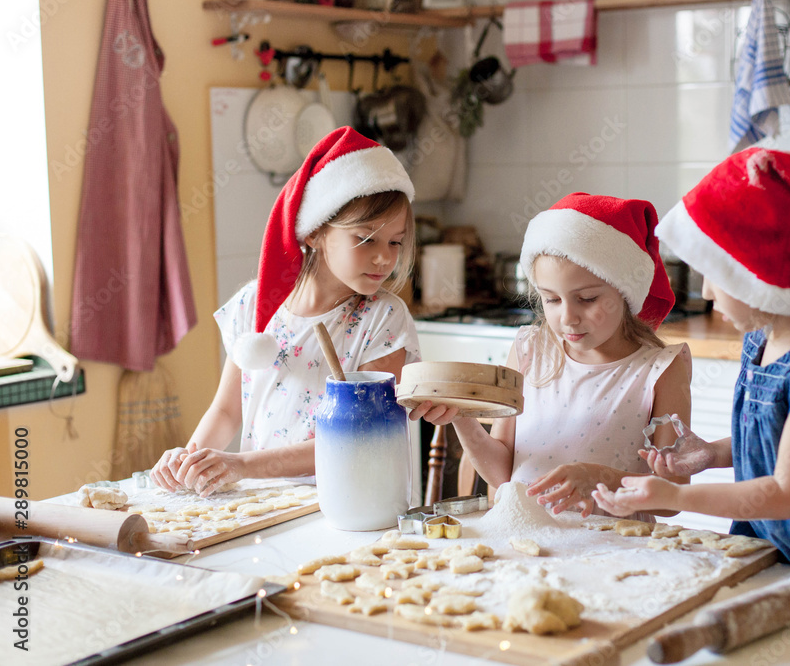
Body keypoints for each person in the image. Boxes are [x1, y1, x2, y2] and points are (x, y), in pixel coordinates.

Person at [592, 148, 790, 581]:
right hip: (776, 558)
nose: (706, 293)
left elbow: (786, 494)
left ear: (760, 273)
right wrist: (712, 454)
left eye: (717, 275)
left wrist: (673, 496)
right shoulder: (763, 340)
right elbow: (777, 441)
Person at [150, 128, 421, 496]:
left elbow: (358, 433)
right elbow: (227, 411)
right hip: (261, 505)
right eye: (365, 238)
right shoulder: (254, 306)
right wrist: (190, 461)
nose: (384, 258)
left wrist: (240, 465)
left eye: (395, 242)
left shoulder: (384, 321)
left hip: (345, 507)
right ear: (313, 233)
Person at [410, 193, 692, 519]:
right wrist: (461, 416)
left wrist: (603, 479)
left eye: (586, 298)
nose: (568, 317)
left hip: (615, 553)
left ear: (626, 291)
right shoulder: (529, 349)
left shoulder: (660, 370)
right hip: (527, 543)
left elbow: (674, 495)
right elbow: (503, 473)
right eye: (551, 299)